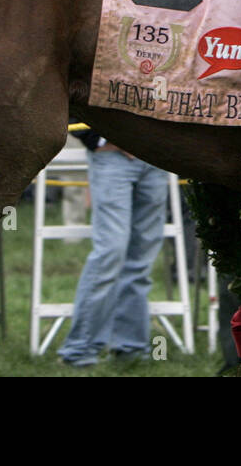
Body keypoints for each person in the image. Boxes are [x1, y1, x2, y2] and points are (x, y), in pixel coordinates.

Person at [58, 140, 169, 367]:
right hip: (111, 155)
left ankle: (130, 347)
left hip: (156, 156)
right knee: (110, 252)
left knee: (141, 260)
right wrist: (100, 140)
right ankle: (79, 349)